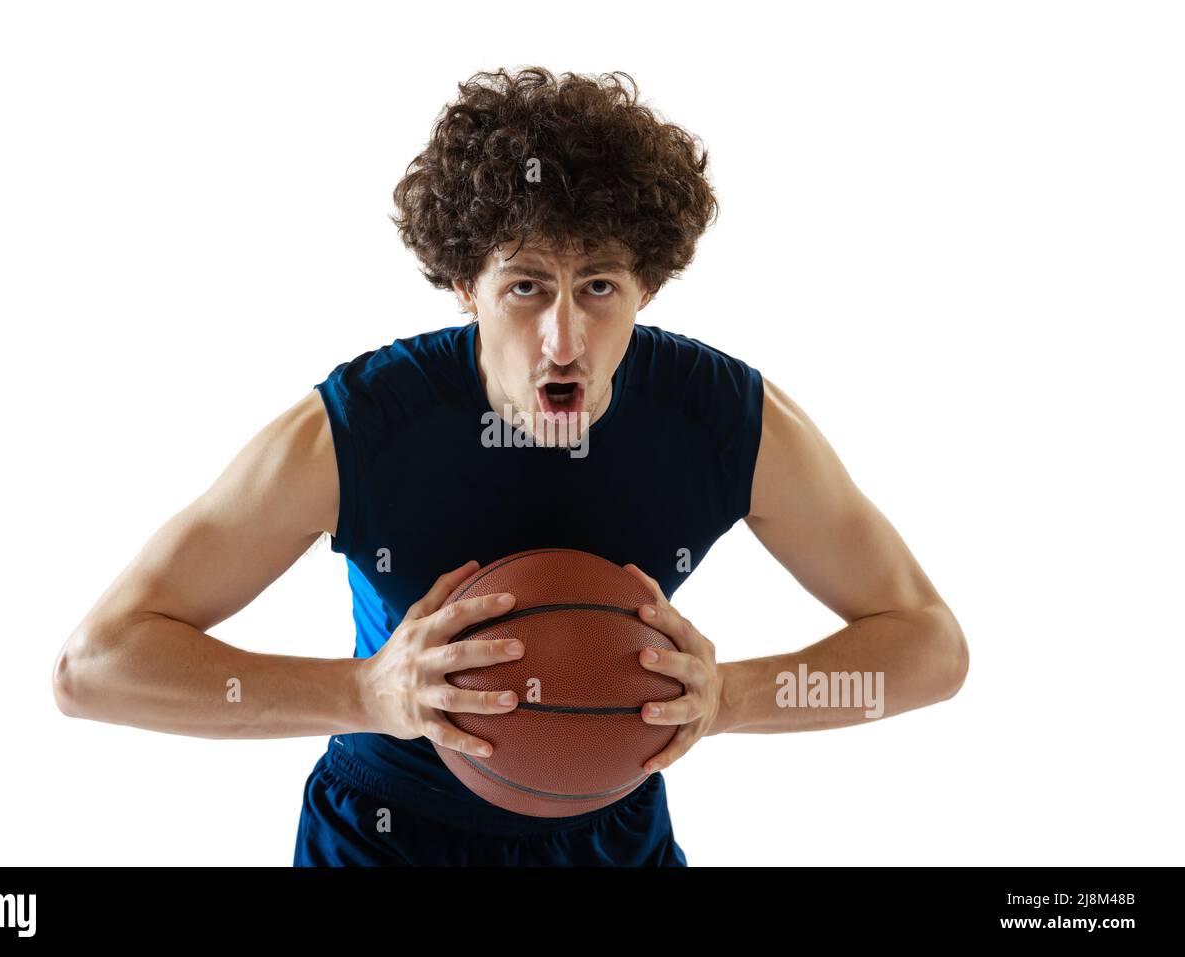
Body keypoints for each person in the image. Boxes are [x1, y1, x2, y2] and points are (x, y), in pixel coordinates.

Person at [53, 67, 968, 867]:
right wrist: (363, 691)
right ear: (465, 284)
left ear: (648, 282)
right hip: (382, 836)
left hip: (611, 831)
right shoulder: (363, 426)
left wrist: (729, 697)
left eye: (600, 286)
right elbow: (95, 665)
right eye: (526, 285)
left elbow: (930, 646)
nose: (563, 338)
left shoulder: (726, 419)